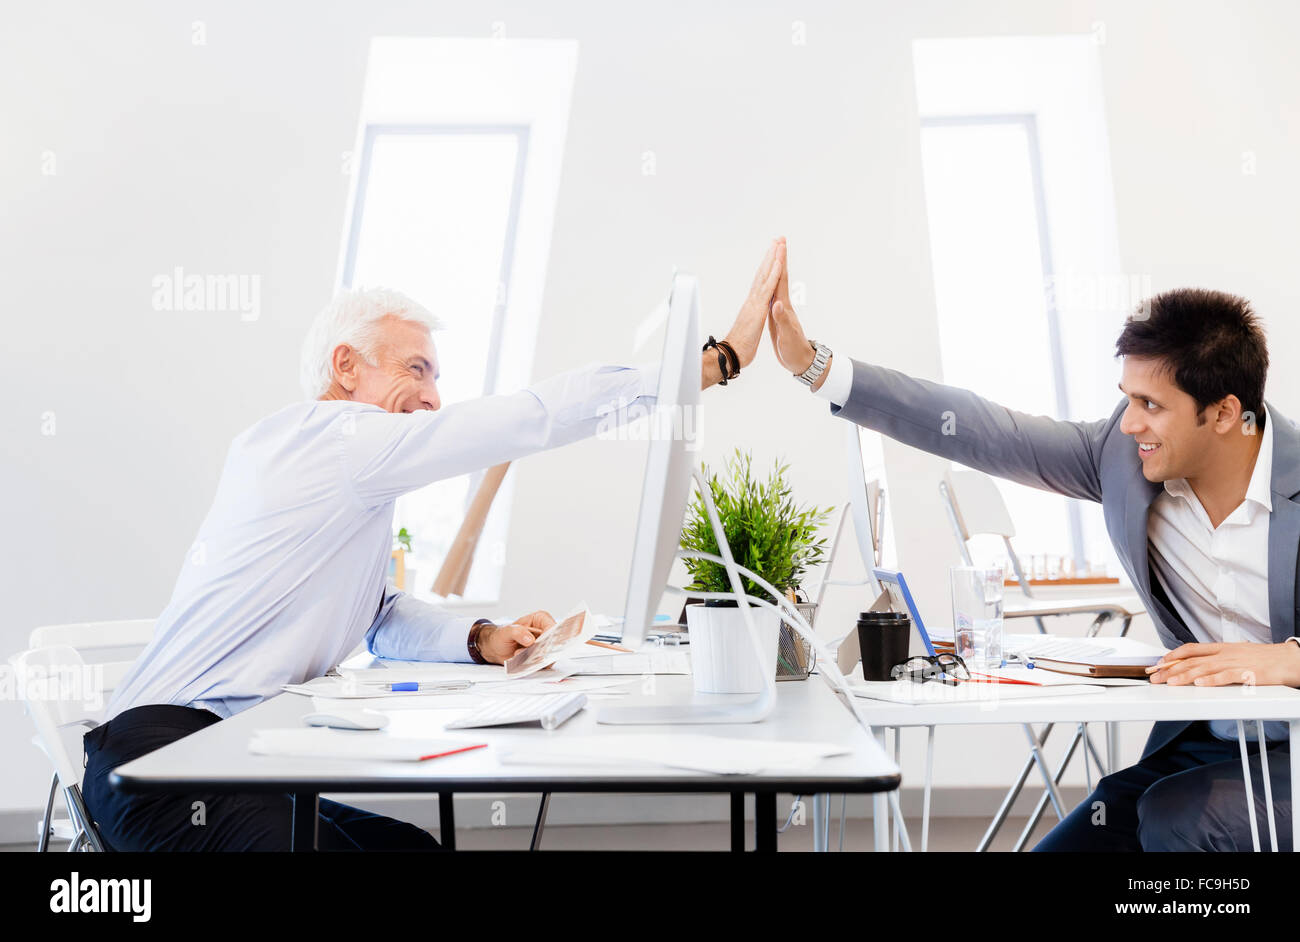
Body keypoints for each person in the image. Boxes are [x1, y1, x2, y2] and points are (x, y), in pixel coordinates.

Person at [82, 240, 786, 851]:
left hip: (237, 759)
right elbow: (528, 418)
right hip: (163, 764)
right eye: (416, 369)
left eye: (436, 377)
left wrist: (484, 637)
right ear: (346, 367)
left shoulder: (340, 474)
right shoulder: (336, 443)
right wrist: (710, 364)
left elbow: (379, 616)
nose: (432, 398)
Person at [766, 237, 1300, 851]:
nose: (1128, 424)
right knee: (1094, 834)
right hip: (1208, 748)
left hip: (1286, 765)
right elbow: (990, 432)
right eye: (1127, 398)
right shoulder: (1123, 459)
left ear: (1226, 412)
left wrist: (1291, 658)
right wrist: (818, 367)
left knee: (1177, 820)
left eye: (1151, 405)